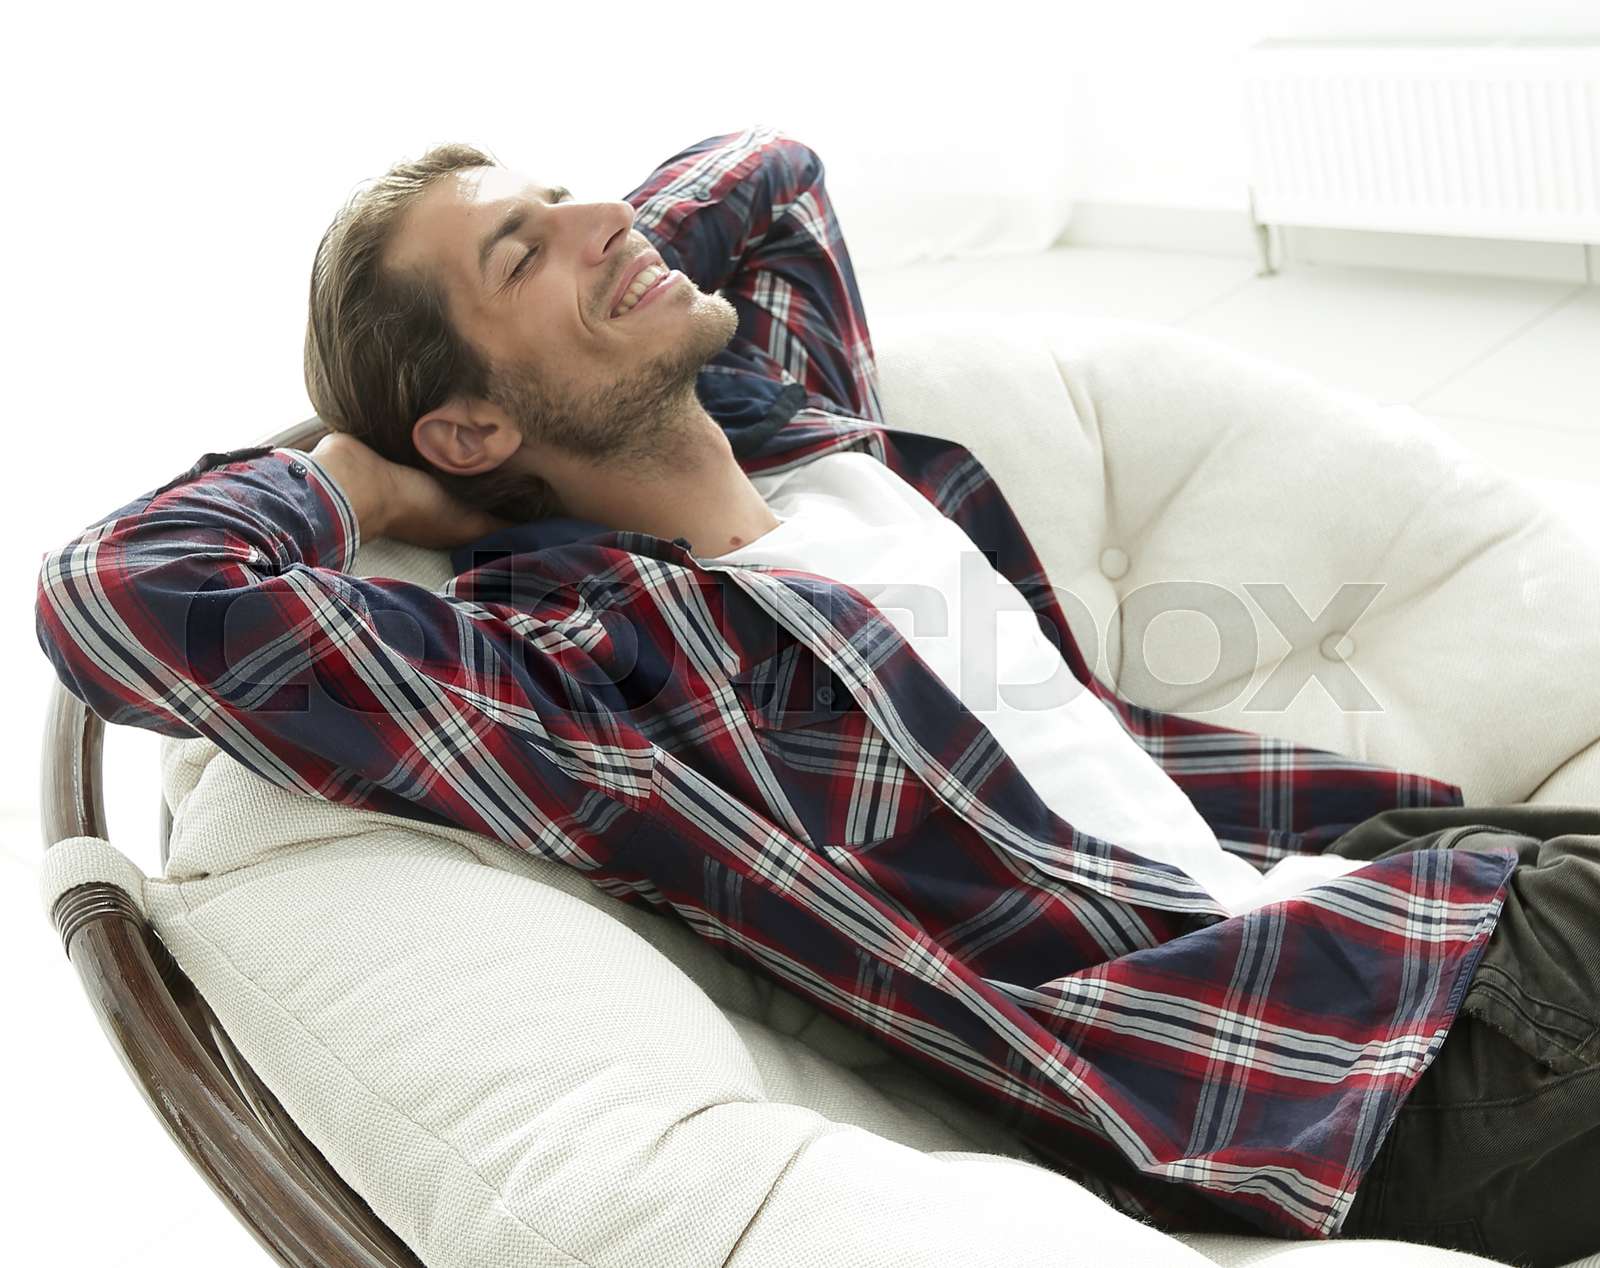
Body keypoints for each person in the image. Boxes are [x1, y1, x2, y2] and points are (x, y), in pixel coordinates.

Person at [34, 124, 1600, 1266]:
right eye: (522, 251)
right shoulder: (601, 675)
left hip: (1403, 896)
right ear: (461, 432)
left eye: (568, 191)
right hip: (1372, 1064)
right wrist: (354, 480)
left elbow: (767, 179)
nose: (595, 218)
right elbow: (125, 596)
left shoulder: (791, 441)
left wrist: (582, 259)